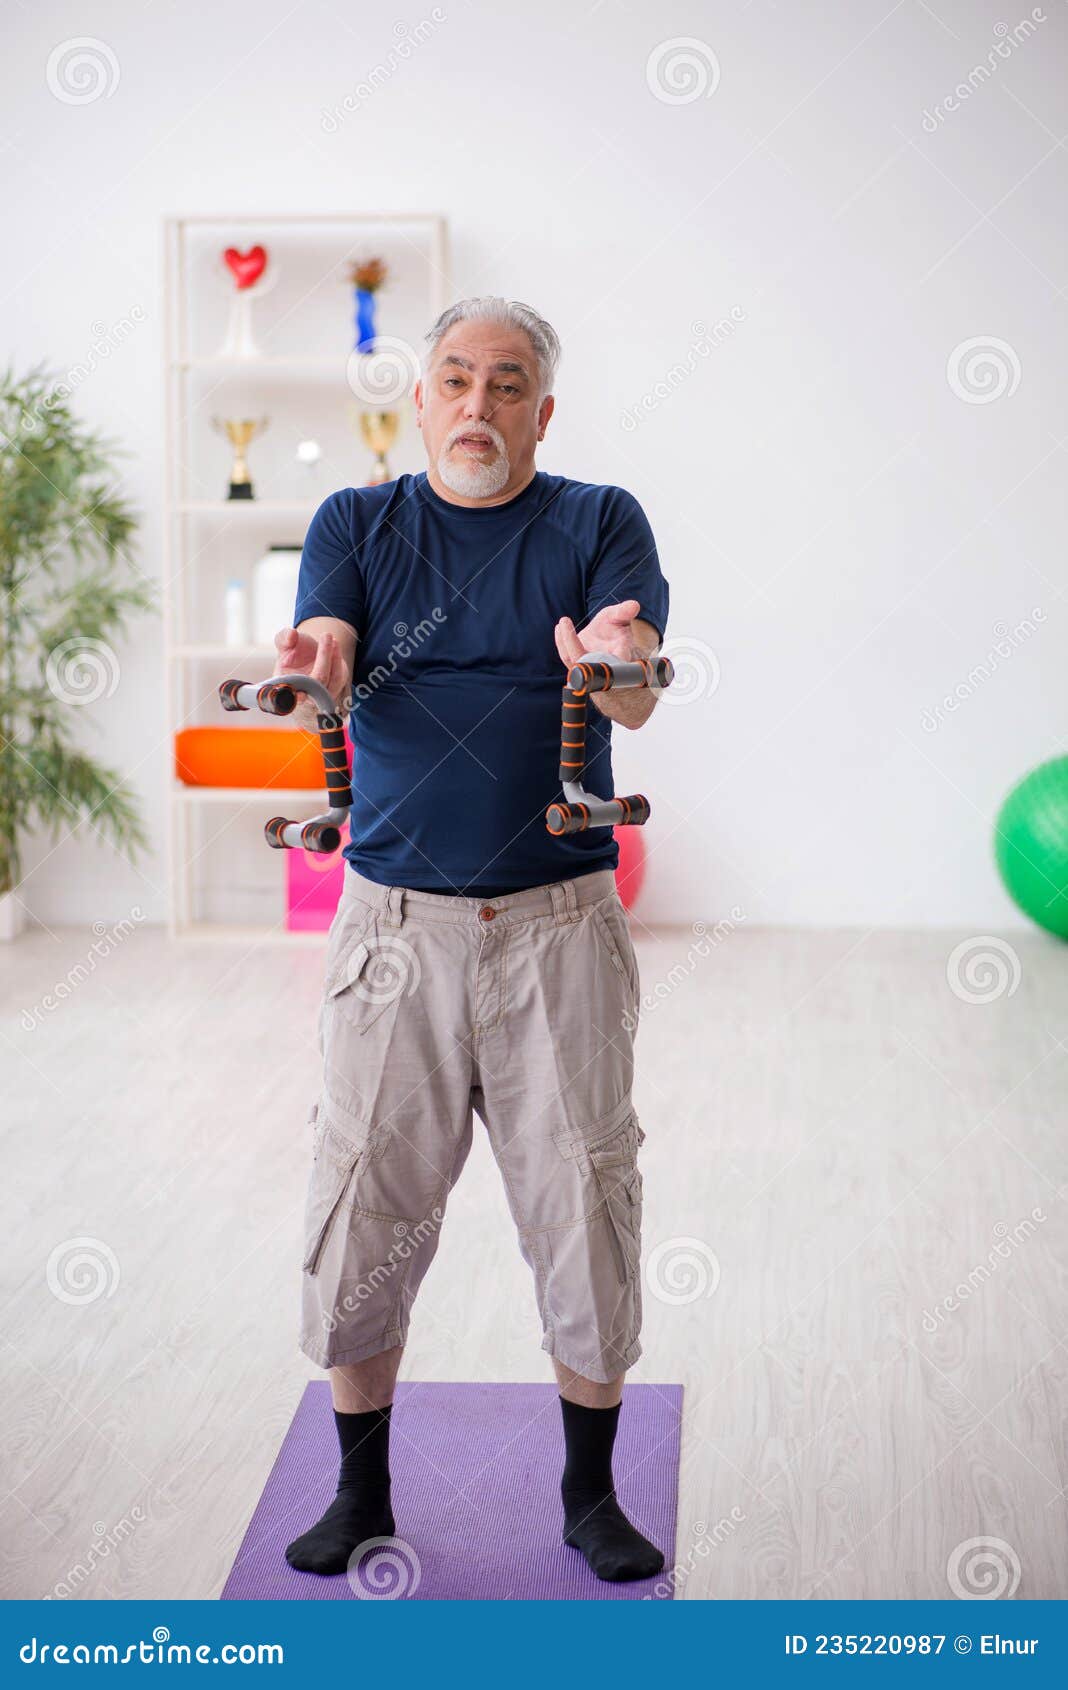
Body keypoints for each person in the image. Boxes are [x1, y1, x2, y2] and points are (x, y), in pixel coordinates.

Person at [277, 296, 670, 1583]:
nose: (479, 406)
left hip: (559, 928)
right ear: (421, 399)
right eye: (457, 379)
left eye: (509, 386)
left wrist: (615, 657)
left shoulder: (598, 519)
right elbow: (329, 638)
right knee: (366, 1202)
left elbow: (632, 671)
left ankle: (588, 1495)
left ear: (540, 413)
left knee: (584, 1206)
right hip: (397, 932)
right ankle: (358, 1489)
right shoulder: (358, 522)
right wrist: (316, 663)